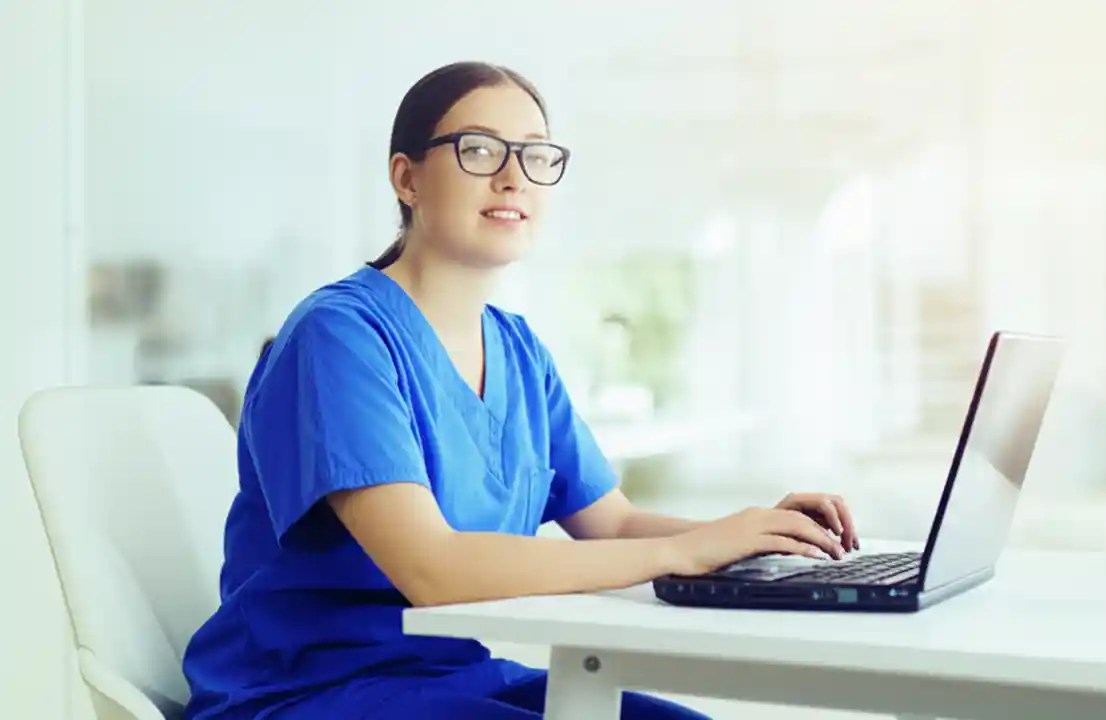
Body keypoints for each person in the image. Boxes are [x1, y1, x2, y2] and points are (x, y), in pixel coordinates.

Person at [182, 61, 859, 720]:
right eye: (479, 150)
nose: (514, 177)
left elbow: (613, 524)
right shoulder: (340, 337)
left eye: (536, 155)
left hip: (451, 676)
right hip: (312, 691)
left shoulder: (519, 351)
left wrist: (749, 535)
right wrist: (685, 553)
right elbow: (432, 570)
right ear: (407, 178)